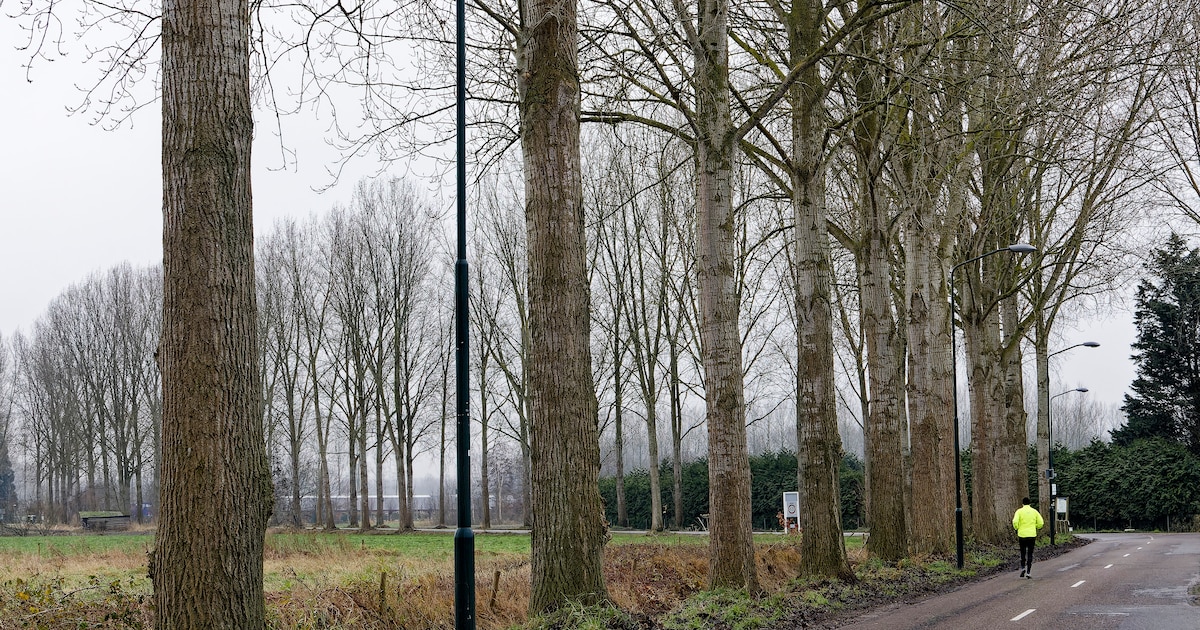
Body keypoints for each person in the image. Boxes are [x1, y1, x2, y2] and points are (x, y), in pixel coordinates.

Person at [1012, 497, 1044, 578]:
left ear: (1022, 503)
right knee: (1030, 553)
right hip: (1032, 535)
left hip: (1022, 534)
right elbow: (1041, 522)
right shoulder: (1034, 511)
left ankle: (1023, 567)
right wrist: (1036, 527)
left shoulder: (1019, 511)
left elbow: (1015, 521)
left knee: (1022, 552)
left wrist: (1017, 528)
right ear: (1030, 503)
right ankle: (1029, 572)